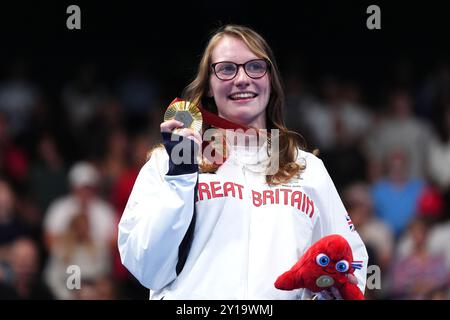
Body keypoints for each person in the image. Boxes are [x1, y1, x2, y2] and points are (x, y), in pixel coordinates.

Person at [118, 24, 368, 299]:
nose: (242, 79)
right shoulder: (169, 162)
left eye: (254, 67)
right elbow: (145, 267)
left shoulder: (306, 168)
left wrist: (328, 293)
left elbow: (351, 260)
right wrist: (181, 176)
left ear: (270, 80)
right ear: (209, 86)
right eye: (227, 69)